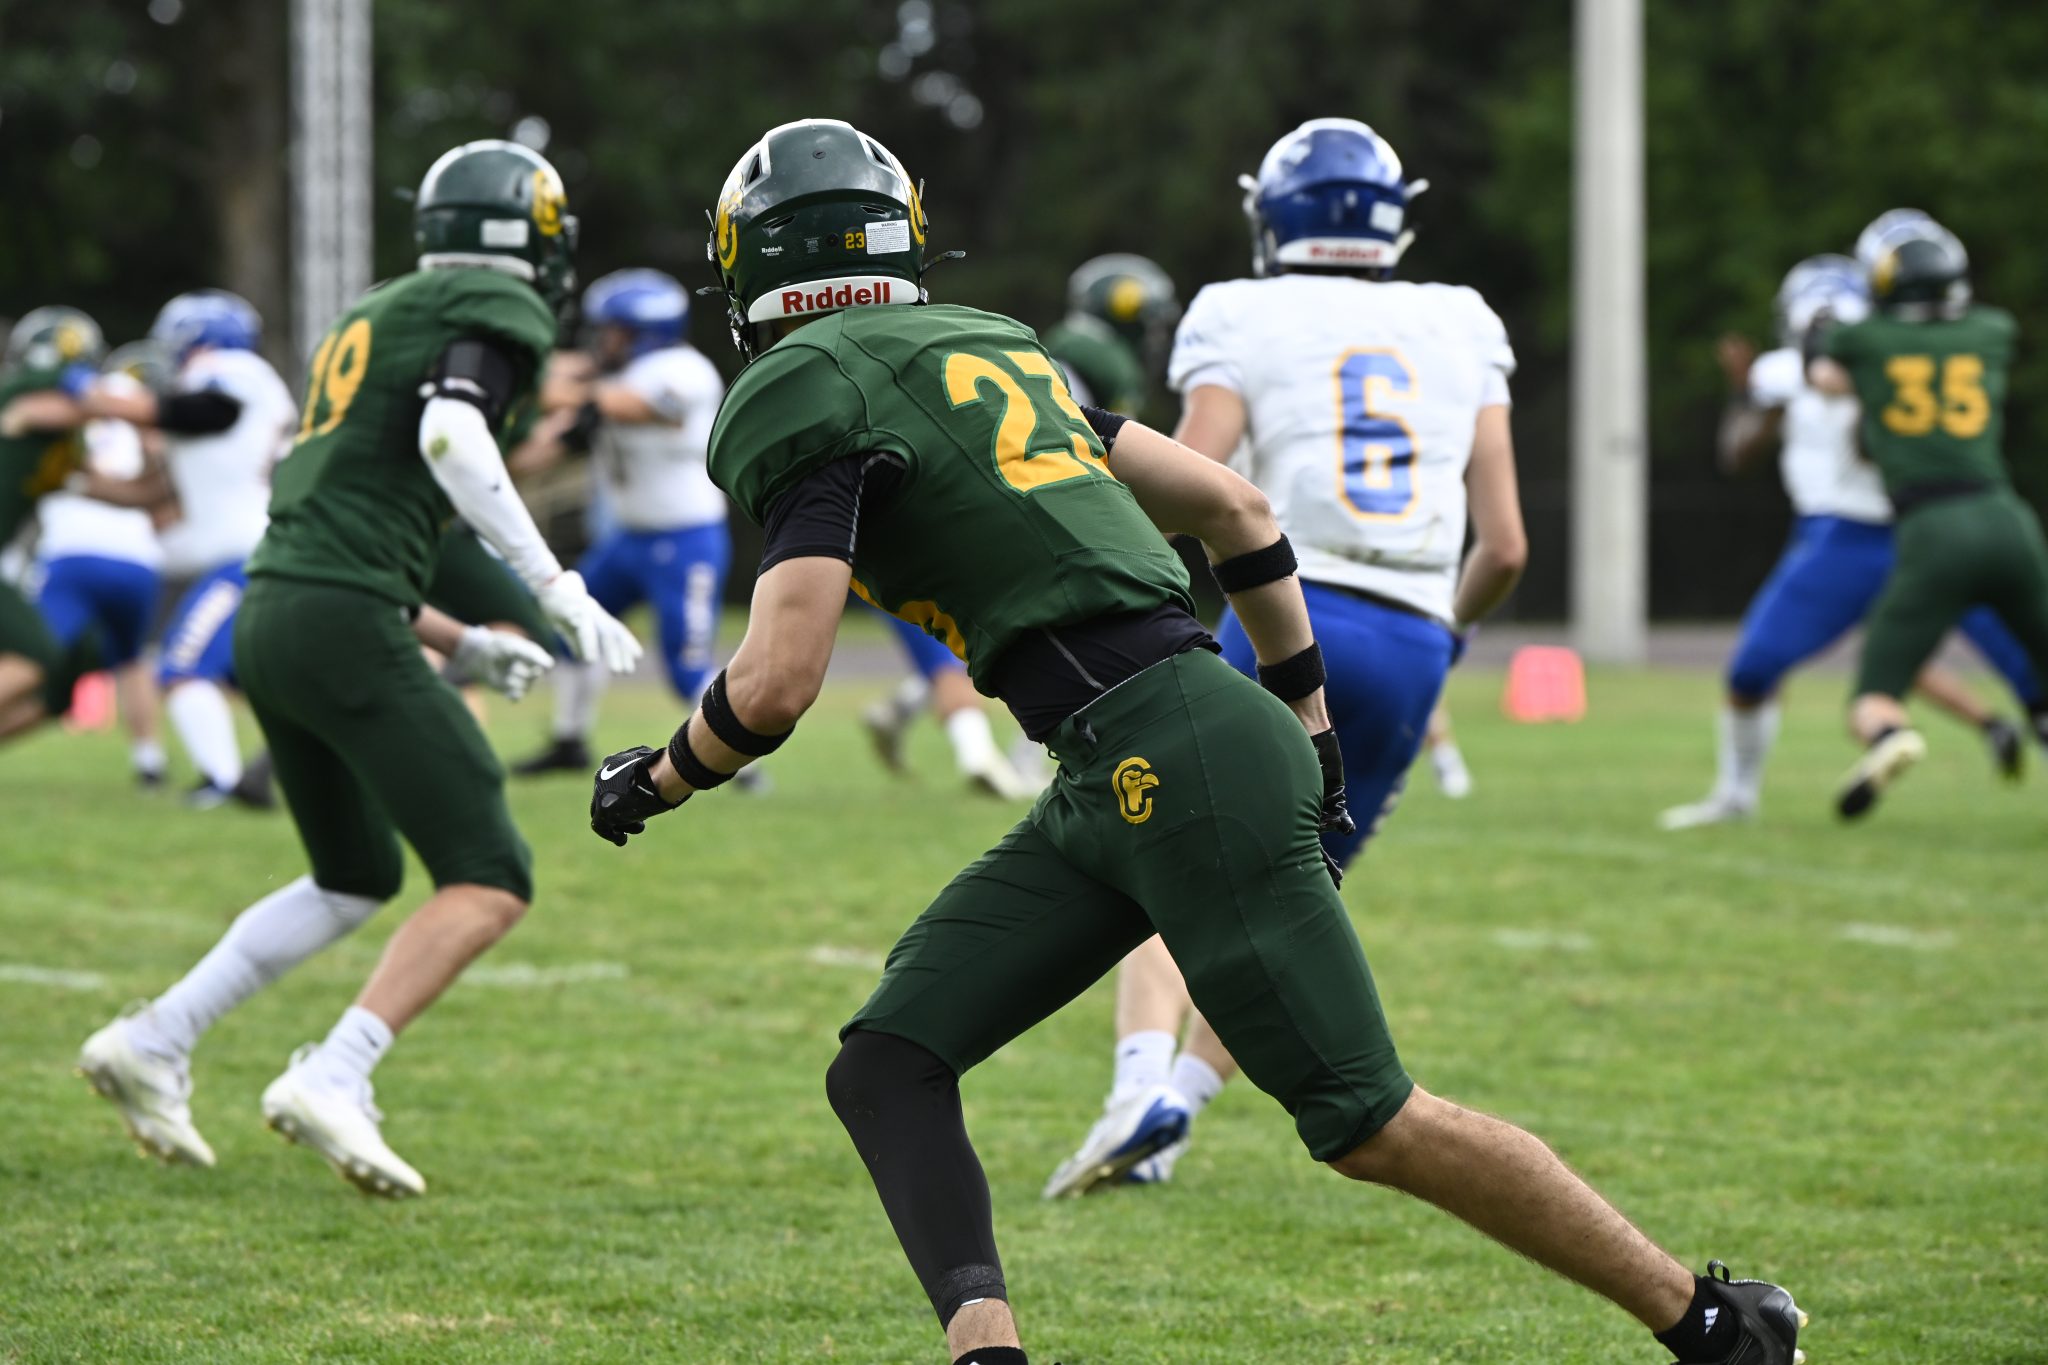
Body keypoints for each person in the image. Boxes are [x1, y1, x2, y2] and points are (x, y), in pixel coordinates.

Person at [587, 117, 1805, 1365]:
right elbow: (1235, 507)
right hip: (1137, 751)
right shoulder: (998, 347)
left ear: (753, 260)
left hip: (1159, 750)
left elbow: (781, 679)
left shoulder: (797, 388)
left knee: (1367, 1120)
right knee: (886, 1065)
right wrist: (1306, 716)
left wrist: (664, 773)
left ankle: (1715, 1324)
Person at [77, 139, 641, 1196]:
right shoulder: (494, 314)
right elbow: (452, 443)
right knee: (489, 876)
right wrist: (555, 585)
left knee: (356, 874)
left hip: (275, 606)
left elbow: (359, 512)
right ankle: (335, 1075)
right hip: (334, 616)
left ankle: (153, 1042)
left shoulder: (374, 314)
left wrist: (461, 639)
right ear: (533, 236)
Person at [1046, 119, 1528, 1195]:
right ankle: (1175, 1111)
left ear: (1274, 214)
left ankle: (1131, 1093)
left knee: (1172, 866)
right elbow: (1502, 545)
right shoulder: (1460, 319)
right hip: (1411, 635)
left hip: (1286, 613)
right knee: (1296, 895)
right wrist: (1443, 638)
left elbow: (1193, 471)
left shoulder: (1239, 309)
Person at [1661, 251, 2042, 830]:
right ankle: (1741, 793)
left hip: (1885, 536)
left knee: (2012, 666)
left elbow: (1854, 426)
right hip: (1895, 530)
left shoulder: (1864, 354)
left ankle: (1878, 739)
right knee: (1755, 671)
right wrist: (1752, 398)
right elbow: (1739, 448)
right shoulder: (1803, 367)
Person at [1810, 211, 2048, 816]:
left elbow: (1825, 374)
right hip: (2007, 519)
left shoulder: (1866, 342)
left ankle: (1891, 732)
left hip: (1932, 529)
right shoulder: (1992, 330)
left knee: (1875, 689)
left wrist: (1819, 326)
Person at [77, 291, 298, 808]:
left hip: (250, 551)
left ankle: (222, 782)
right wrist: (68, 480)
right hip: (254, 548)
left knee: (182, 666)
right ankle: (261, 776)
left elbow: (196, 410)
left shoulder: (232, 373)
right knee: (275, 684)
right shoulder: (218, 422)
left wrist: (82, 391)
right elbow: (150, 492)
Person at [512, 269, 731, 776]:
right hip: (628, 538)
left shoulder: (682, 369)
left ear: (642, 331)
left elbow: (641, 405)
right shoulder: (613, 375)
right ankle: (569, 742)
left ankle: (741, 756)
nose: (601, 340)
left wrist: (562, 392)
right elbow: (548, 429)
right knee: (573, 623)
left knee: (686, 666)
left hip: (685, 539)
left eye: (612, 330)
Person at [30, 344, 173, 784]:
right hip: (137, 558)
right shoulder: (146, 415)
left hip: (74, 551)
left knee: (29, 657)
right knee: (132, 660)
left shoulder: (72, 399)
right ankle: (150, 761)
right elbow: (162, 498)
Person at [0, 308, 114, 740]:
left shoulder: (64, 428)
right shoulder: (25, 396)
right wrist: (157, 409)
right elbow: (54, 409)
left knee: (60, 677)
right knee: (36, 656)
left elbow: (105, 488)